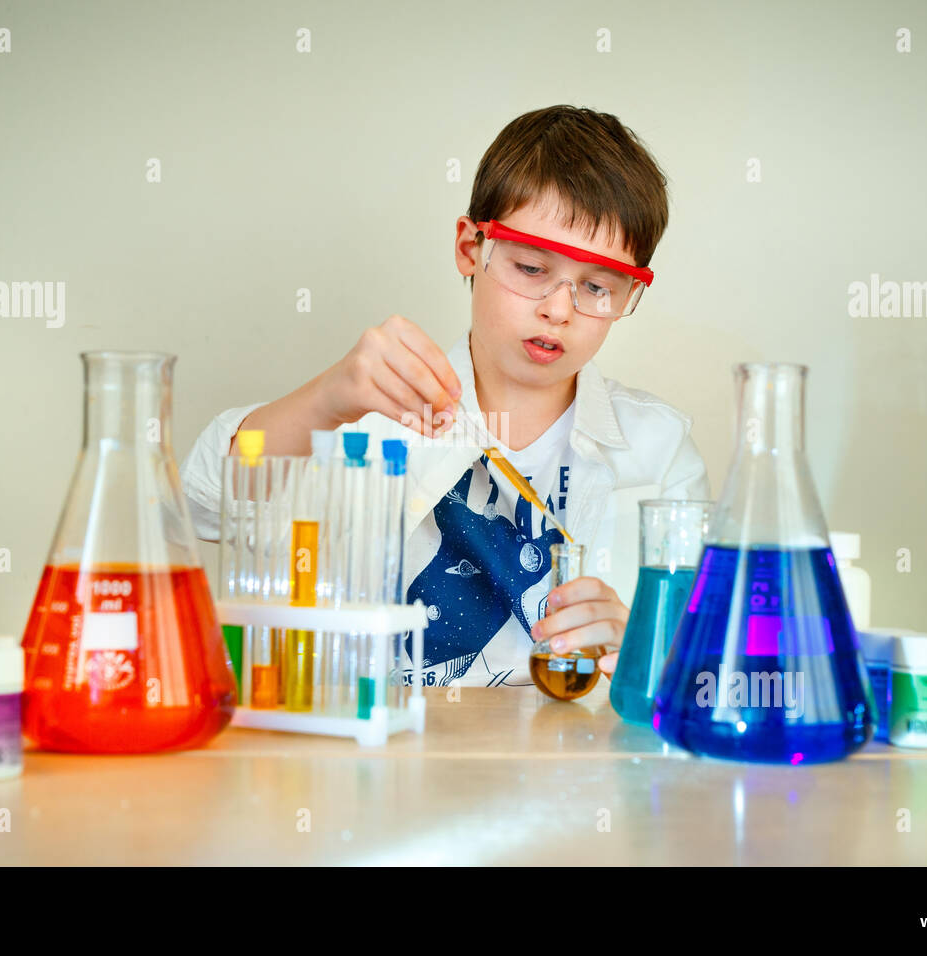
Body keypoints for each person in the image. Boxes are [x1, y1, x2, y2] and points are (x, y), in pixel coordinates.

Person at [181, 105, 710, 689]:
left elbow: (704, 671)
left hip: (575, 773)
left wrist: (639, 647)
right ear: (470, 247)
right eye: (532, 267)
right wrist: (327, 400)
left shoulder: (659, 453)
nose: (559, 309)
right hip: (385, 765)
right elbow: (206, 504)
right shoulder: (372, 414)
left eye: (596, 286)